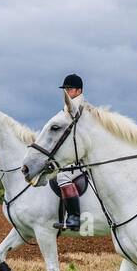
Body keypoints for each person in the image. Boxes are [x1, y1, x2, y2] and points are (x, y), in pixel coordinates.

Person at [54, 73, 86, 231]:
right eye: (65, 88)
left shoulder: (78, 108)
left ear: (78, 91)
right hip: (73, 154)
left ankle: (74, 217)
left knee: (63, 175)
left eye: (69, 88)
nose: (66, 91)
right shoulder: (68, 108)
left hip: (82, 157)